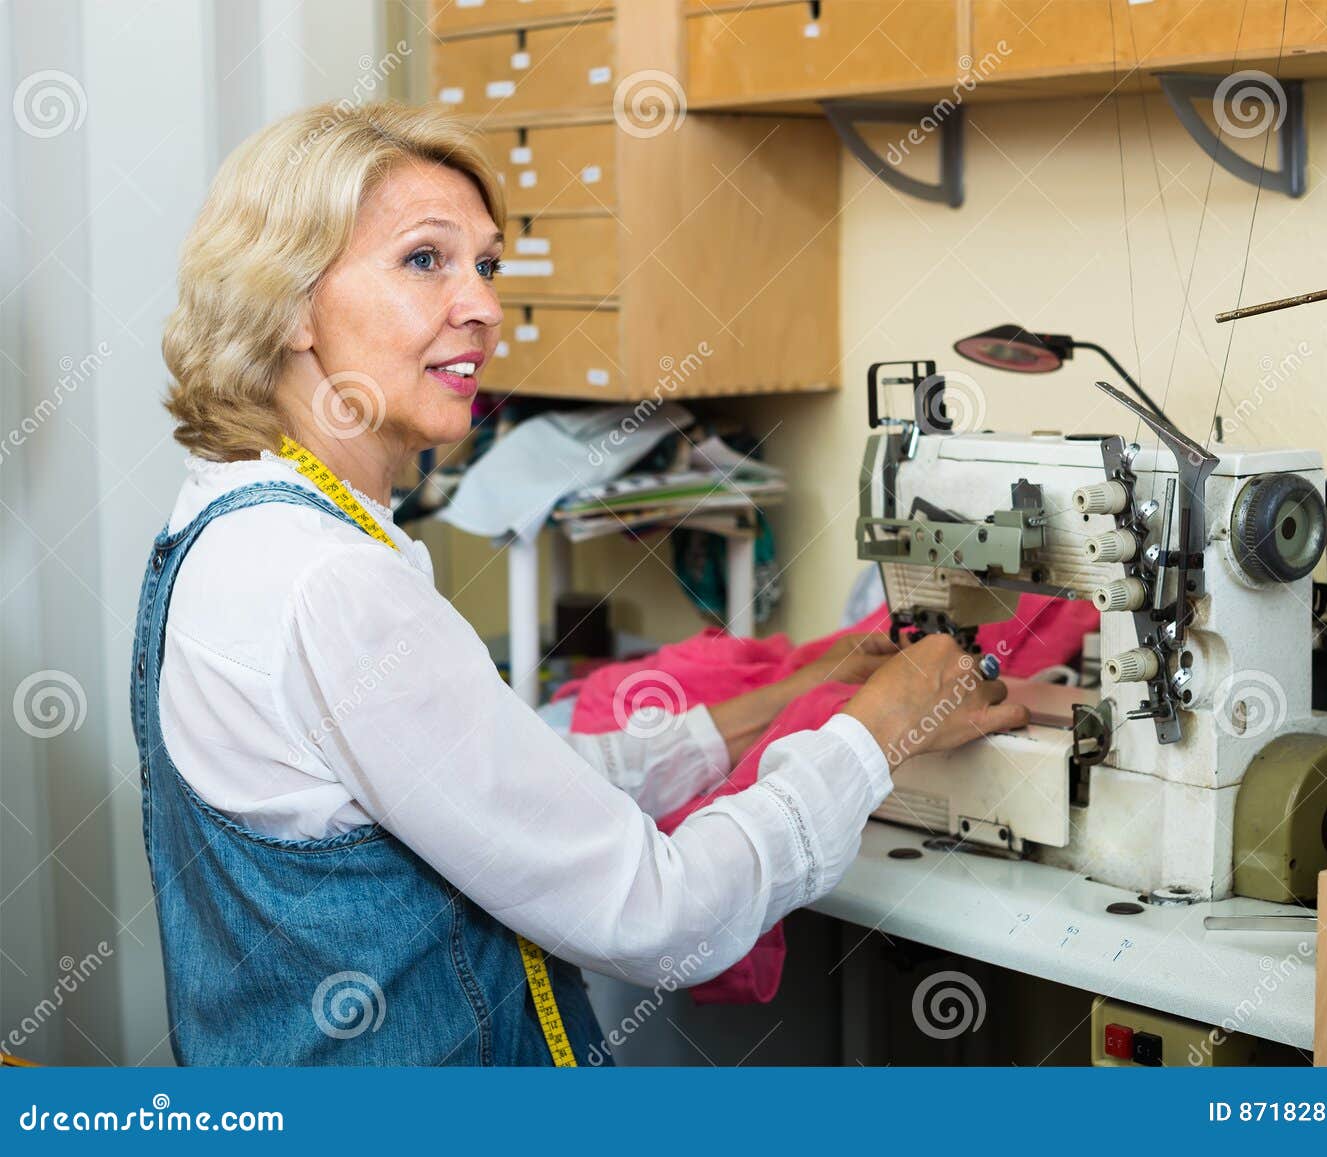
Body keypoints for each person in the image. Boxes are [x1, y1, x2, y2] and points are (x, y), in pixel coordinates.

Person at [134, 100, 1026, 1066]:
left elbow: (513, 799)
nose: (480, 304)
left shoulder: (233, 527)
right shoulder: (328, 585)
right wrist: (877, 735)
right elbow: (664, 913)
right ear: (292, 303)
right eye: (424, 260)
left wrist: (801, 700)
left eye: (485, 264)